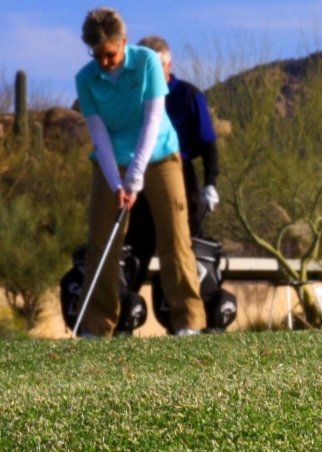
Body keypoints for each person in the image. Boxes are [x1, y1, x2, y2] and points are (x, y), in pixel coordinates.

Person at [74, 7, 205, 337]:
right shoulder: (85, 78)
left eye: (110, 54)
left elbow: (153, 121)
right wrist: (117, 181)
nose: (103, 62)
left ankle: (188, 321)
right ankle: (96, 325)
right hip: (111, 160)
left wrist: (134, 177)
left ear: (124, 42)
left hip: (159, 154)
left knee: (174, 236)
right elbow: (100, 136)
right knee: (102, 240)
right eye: (97, 55)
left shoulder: (147, 61)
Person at [124, 36, 220, 306]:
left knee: (182, 249)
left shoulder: (188, 96)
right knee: (135, 250)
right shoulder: (134, 96)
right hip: (140, 176)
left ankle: (186, 319)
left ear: (168, 65)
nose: (149, 74)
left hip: (181, 176)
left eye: (155, 67)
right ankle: (125, 318)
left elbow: (209, 145)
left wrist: (210, 183)